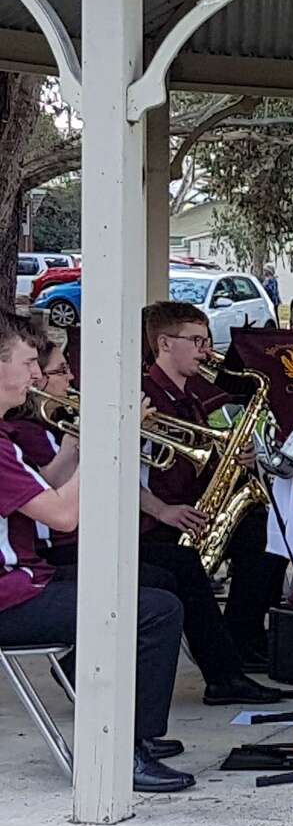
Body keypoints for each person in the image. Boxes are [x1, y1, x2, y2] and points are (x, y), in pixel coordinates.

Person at [13, 338, 282, 705]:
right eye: (60, 371)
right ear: (37, 380)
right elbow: (52, 493)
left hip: (83, 541)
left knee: (177, 569)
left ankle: (224, 672)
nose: (71, 377)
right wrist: (91, 443)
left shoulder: (58, 423)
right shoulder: (26, 432)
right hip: (58, 552)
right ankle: (211, 679)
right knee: (166, 581)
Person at [0, 317, 195, 792]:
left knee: (145, 588)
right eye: (27, 363)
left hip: (24, 584)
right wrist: (111, 439)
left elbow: (47, 484)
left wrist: (86, 440)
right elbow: (64, 516)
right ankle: (126, 751)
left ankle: (126, 734)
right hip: (9, 600)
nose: (34, 376)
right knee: (155, 611)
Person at [140, 302, 290, 669]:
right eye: (196, 341)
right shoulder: (144, 398)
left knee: (269, 534)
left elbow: (200, 460)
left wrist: (240, 458)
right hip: (160, 522)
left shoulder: (189, 395)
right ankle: (232, 649)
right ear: (164, 344)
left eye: (206, 340)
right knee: (256, 537)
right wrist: (162, 509)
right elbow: (119, 471)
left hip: (194, 510)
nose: (206, 351)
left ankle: (244, 638)